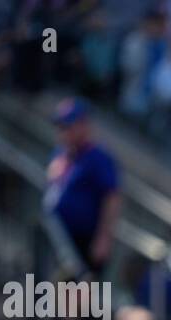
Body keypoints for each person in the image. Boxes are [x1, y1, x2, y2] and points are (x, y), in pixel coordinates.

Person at [43, 98, 121, 276]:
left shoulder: (98, 157)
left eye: (68, 126)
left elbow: (112, 198)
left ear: (83, 125)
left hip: (85, 239)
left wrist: (104, 237)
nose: (63, 132)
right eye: (60, 126)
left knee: (82, 293)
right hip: (57, 237)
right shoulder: (60, 154)